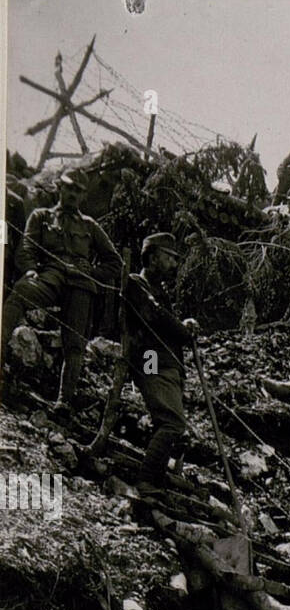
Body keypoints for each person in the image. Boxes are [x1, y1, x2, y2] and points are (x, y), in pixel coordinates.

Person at [2, 171, 120, 410]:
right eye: (69, 188)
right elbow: (26, 247)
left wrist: (94, 272)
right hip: (50, 276)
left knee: (75, 342)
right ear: (59, 188)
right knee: (21, 292)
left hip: (80, 284)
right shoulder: (41, 216)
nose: (73, 194)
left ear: (83, 195)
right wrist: (30, 270)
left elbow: (116, 263)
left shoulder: (90, 226)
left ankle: (63, 401)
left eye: (78, 190)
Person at [120, 232, 198, 491]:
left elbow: (166, 318)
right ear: (152, 258)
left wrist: (182, 326)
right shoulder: (135, 283)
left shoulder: (160, 291)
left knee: (170, 424)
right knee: (171, 423)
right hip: (151, 359)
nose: (174, 265)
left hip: (170, 364)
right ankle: (145, 481)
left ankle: (156, 480)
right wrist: (182, 330)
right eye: (169, 258)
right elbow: (154, 315)